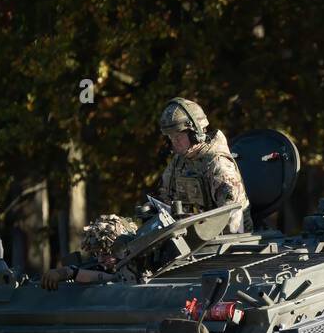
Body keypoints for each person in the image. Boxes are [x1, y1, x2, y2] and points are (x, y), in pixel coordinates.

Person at [157, 98, 253, 234]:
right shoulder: (179, 161)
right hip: (192, 239)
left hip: (226, 244)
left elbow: (233, 223)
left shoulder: (218, 165)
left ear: (196, 134)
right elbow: (165, 199)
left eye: (178, 136)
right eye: (171, 137)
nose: (174, 142)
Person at [40, 214, 139, 290]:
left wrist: (70, 272)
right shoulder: (97, 266)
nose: (100, 259)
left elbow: (114, 278)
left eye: (105, 254)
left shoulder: (136, 269)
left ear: (122, 249)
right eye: (97, 254)